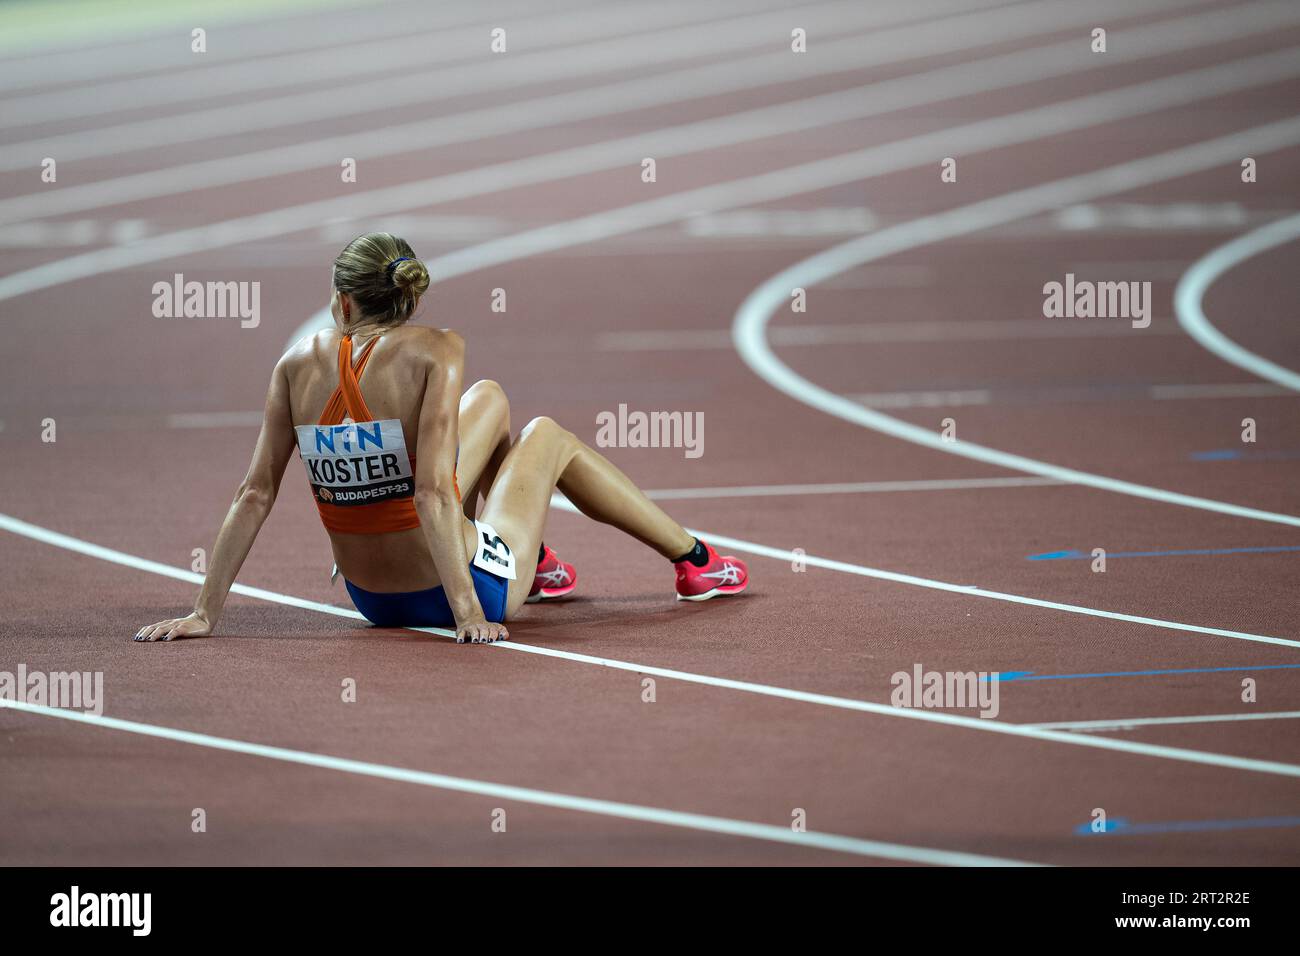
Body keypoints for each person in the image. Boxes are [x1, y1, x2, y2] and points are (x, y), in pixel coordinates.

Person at [134, 233, 748, 646]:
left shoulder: (294, 365)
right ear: (413, 296)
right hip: (456, 589)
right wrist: (469, 613)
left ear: (343, 302)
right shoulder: (437, 348)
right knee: (546, 436)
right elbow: (431, 490)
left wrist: (204, 613)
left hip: (370, 599)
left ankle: (536, 565)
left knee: (492, 399)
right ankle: (695, 562)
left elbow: (254, 494)